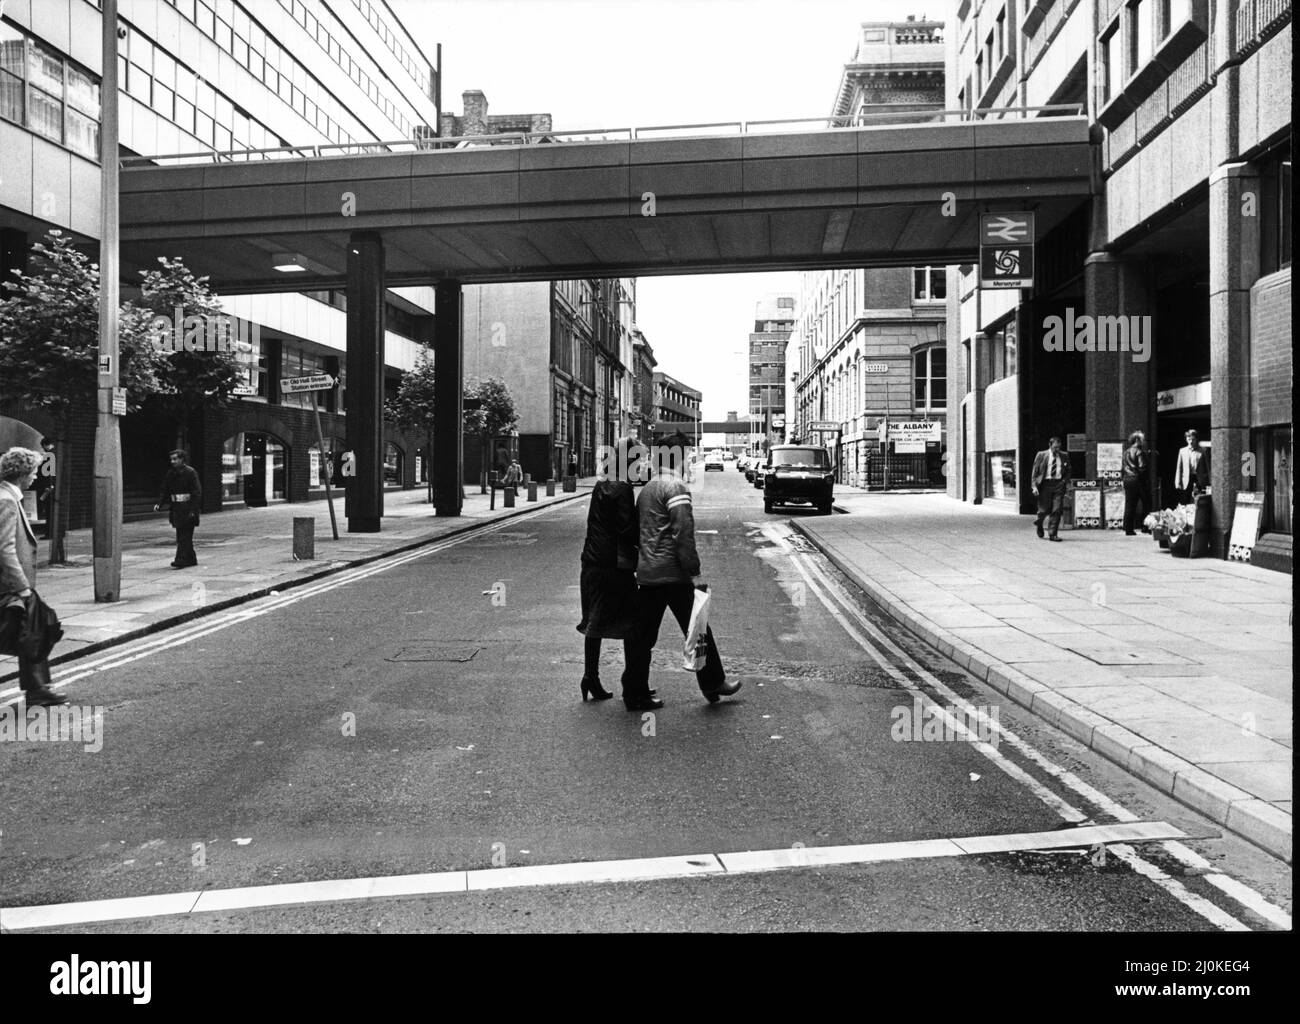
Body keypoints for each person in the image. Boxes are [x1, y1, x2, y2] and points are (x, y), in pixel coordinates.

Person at [620, 443, 740, 711]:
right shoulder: (676, 488)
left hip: (649, 573)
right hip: (673, 574)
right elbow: (682, 534)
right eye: (685, 458)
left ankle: (634, 690)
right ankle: (712, 683)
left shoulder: (649, 488)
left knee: (641, 636)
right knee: (698, 629)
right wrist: (694, 572)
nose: (688, 463)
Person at [0, 447, 69, 707]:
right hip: (10, 585)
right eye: (33, 472)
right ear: (23, 473)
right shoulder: (6, 500)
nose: (35, 477)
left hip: (13, 584)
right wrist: (22, 587)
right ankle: (37, 689)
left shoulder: (10, 496)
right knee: (33, 628)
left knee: (34, 628)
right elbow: (4, 548)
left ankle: (38, 688)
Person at [575, 439, 640, 702]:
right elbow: (626, 529)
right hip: (614, 564)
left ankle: (591, 677)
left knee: (595, 620)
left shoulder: (602, 483)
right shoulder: (623, 487)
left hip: (592, 560)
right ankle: (631, 681)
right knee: (632, 621)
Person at [153, 449, 202, 569]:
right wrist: (160, 503)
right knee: (182, 534)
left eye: (175, 459)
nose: (172, 461)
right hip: (176, 509)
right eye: (171, 459)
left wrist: (193, 510)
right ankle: (191, 558)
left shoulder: (191, 472)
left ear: (182, 459)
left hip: (188, 508)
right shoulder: (170, 474)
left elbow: (196, 492)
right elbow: (165, 490)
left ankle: (180, 559)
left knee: (184, 534)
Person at [1031, 436, 1070, 542]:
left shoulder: (1064, 455)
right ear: (1050, 445)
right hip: (1045, 485)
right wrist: (1034, 487)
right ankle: (1039, 523)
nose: (1057, 450)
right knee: (1043, 510)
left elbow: (1068, 471)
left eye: (1059, 447)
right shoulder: (1041, 455)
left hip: (1058, 485)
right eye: (1055, 447)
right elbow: (1035, 472)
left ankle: (1053, 534)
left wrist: (1064, 482)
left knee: (1056, 510)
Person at [1121, 431, 1149, 535]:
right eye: (1142, 439)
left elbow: (1123, 468)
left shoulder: (1126, 452)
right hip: (1138, 480)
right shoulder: (1139, 452)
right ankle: (1145, 527)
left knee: (1129, 505)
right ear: (1137, 440)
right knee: (1147, 503)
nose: (1144, 441)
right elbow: (1142, 467)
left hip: (1127, 479)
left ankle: (1128, 528)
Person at [1174, 429, 1210, 505]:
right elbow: (1179, 468)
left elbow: (1208, 467)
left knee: (1200, 499)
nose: (1190, 441)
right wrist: (1178, 482)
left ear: (1196, 439)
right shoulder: (1182, 451)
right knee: (1185, 499)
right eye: (1189, 439)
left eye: (1193, 439)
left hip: (1199, 478)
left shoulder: (1203, 450)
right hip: (1187, 477)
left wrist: (1209, 481)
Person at [35, 437, 56, 540]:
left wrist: (46, 487)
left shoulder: (49, 456)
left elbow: (46, 474)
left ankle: (49, 533)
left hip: (48, 488)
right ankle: (55, 533)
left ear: (45, 445)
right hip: (54, 487)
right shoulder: (56, 453)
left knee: (49, 511)